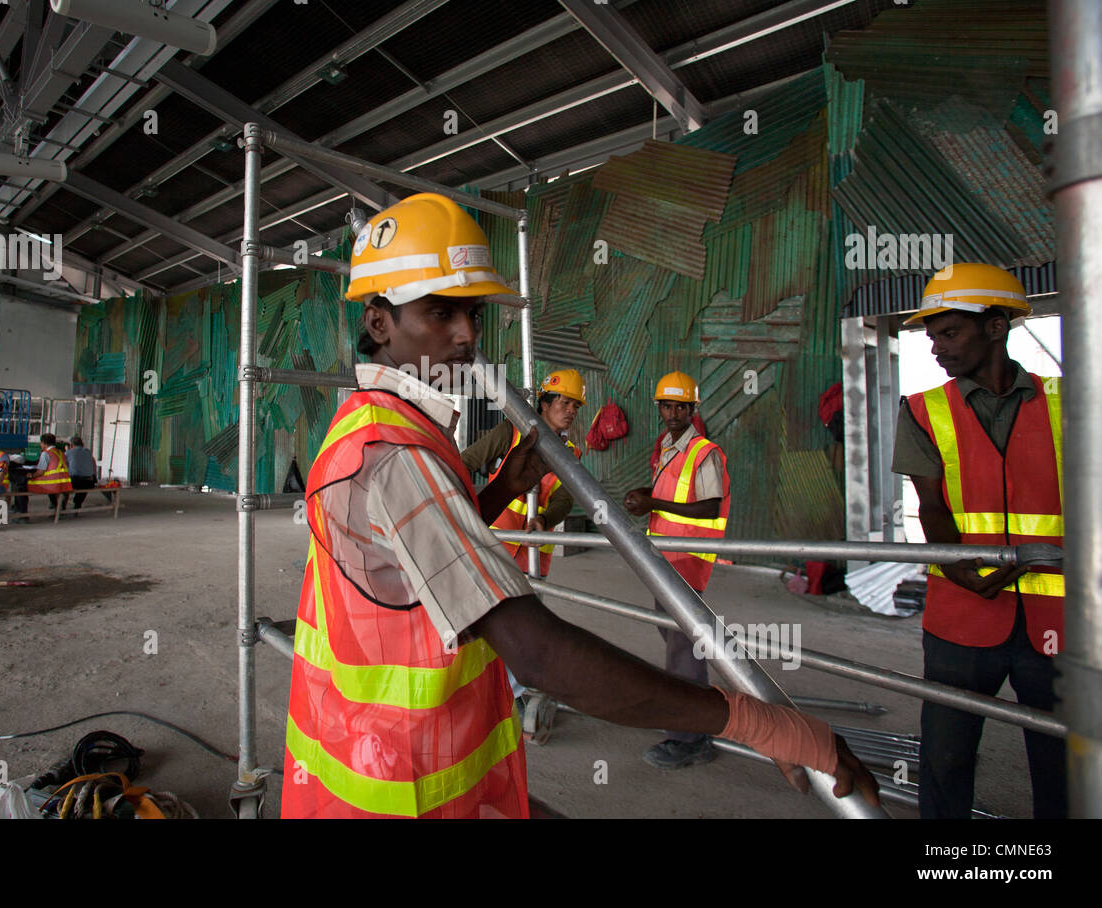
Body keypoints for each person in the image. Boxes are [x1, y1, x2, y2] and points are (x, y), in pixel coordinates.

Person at [280, 191, 877, 818]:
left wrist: (506, 488)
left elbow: (408, 563)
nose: (466, 336)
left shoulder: (369, 423)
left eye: (473, 314)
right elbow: (538, 652)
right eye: (440, 313)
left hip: (369, 756)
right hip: (403, 785)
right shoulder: (401, 452)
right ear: (380, 323)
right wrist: (765, 725)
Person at [891, 263, 1065, 819]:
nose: (937, 348)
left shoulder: (1072, 403)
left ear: (995, 327)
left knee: (1062, 756)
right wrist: (957, 563)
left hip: (1060, 615)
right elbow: (933, 507)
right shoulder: (922, 409)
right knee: (946, 754)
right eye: (931, 336)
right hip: (962, 610)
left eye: (950, 332)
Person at [623, 372, 731, 770]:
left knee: (684, 647)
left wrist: (654, 505)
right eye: (666, 406)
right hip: (666, 557)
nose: (673, 413)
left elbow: (709, 507)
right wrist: (647, 494)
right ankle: (692, 719)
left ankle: (690, 738)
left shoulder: (705, 452)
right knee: (677, 641)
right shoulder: (668, 447)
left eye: (681, 406)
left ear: (693, 409)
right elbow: (669, 495)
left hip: (688, 559)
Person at [461, 368, 586, 579]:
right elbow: (465, 463)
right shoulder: (510, 432)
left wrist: (544, 520)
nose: (571, 411)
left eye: (576, 406)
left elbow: (564, 499)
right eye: (565, 402)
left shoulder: (571, 453)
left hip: (532, 558)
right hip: (492, 546)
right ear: (545, 403)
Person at [27, 433, 74, 511]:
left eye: (41, 443)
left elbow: (40, 472)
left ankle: (21, 511)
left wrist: (31, 475)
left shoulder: (45, 454)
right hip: (65, 482)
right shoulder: (61, 453)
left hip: (52, 482)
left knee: (26, 484)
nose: (40, 445)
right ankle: (58, 506)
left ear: (44, 444)